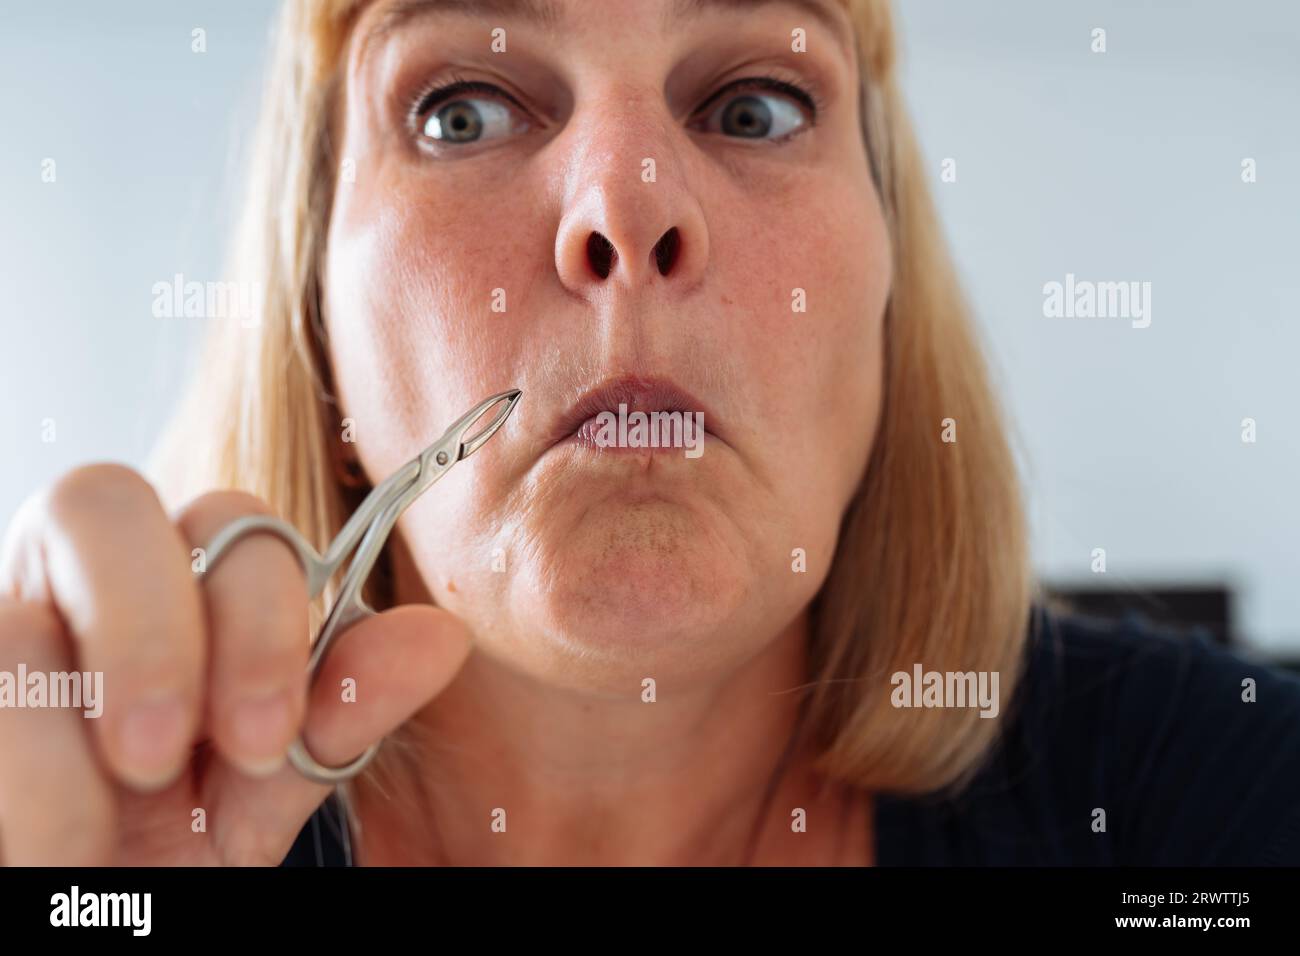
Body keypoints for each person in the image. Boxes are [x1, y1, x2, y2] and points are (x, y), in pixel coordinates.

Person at [2, 0, 1297, 867]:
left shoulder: (1227, 800)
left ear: (888, 291)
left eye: (754, 108)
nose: (626, 209)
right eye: (462, 108)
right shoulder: (131, 844)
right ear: (316, 323)